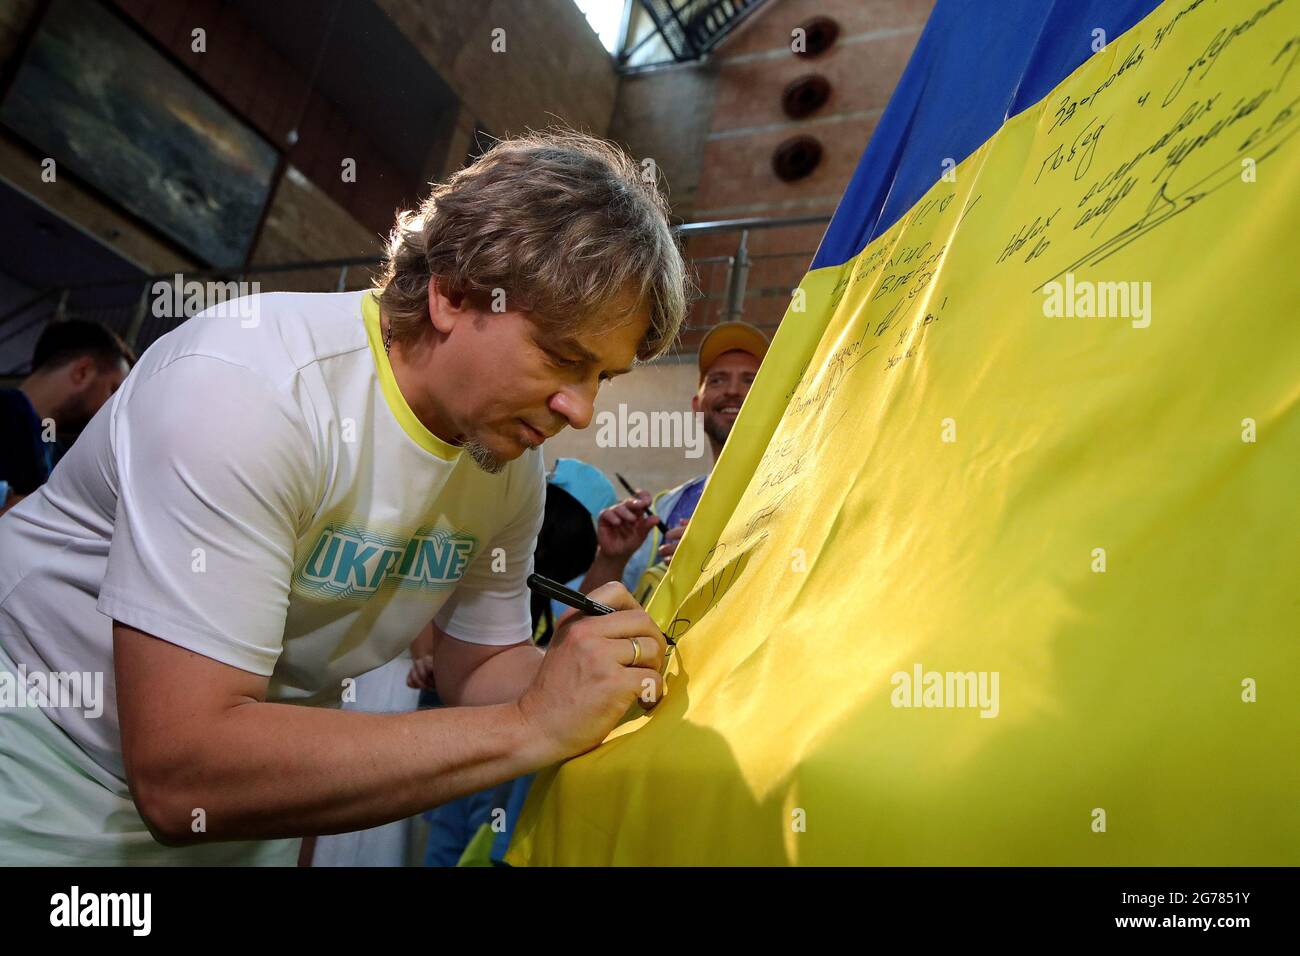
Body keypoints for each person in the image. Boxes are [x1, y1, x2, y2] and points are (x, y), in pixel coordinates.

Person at [0, 130, 687, 865]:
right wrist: (531, 724)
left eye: (602, 379)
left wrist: (585, 674)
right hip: (47, 767)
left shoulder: (509, 465)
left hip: (245, 796)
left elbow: (480, 668)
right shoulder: (247, 388)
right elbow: (182, 772)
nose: (580, 410)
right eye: (563, 358)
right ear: (453, 292)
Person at [581, 320, 768, 604]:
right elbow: (584, 620)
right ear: (696, 404)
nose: (733, 390)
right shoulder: (666, 508)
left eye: (750, 381)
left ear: (776, 399)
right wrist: (611, 558)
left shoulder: (802, 497)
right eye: (717, 380)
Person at [0, 319, 134, 513]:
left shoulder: (53, 447)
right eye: (112, 392)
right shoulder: (9, 416)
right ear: (82, 372)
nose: (112, 412)